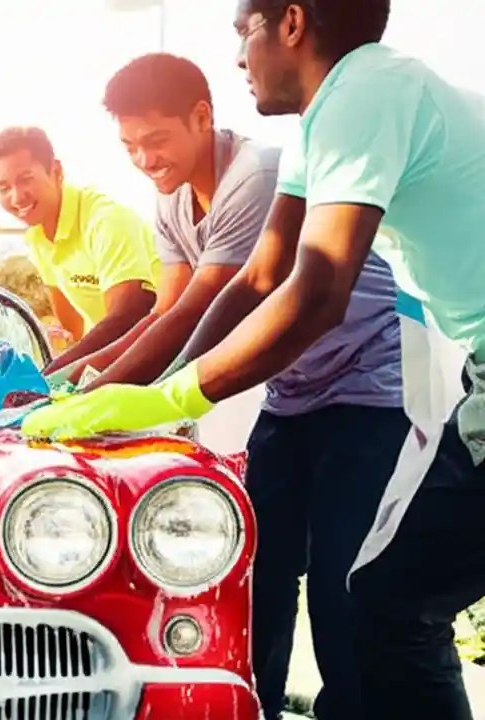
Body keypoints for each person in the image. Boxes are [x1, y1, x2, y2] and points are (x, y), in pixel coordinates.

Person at [33, 1, 485, 716]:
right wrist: (141, 392)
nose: (240, 58)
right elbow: (260, 277)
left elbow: (318, 290)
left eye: (244, 33)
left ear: (292, 23)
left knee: (382, 600)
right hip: (379, 386)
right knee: (379, 599)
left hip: (373, 393)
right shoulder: (323, 120)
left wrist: (172, 397)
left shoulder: (367, 87)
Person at [89, 52, 405, 720]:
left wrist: (138, 398)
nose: (144, 159)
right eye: (129, 146)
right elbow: (164, 311)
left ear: (202, 117)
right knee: (254, 566)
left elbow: (205, 306)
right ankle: (251, 705)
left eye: (156, 139)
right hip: (291, 392)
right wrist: (74, 386)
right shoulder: (172, 198)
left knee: (340, 580)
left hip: (367, 386)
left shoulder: (256, 175)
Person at [0, 126, 159, 377]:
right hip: (110, 360)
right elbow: (70, 330)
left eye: (25, 179)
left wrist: (53, 375)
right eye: (4, 188)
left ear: (56, 171)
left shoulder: (105, 221)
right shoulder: (37, 236)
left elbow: (128, 317)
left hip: (158, 358)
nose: (17, 197)